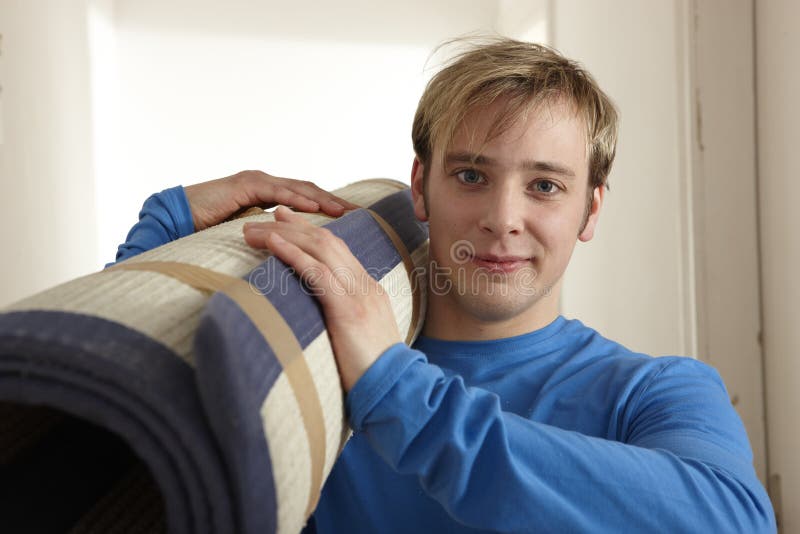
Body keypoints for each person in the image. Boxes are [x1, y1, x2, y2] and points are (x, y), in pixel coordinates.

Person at [113, 38, 775, 532]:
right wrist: (165, 222)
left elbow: (733, 522)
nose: (501, 220)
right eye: (470, 176)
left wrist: (398, 390)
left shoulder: (655, 390)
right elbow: (136, 430)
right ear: (420, 189)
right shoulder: (319, 348)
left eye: (544, 185)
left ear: (591, 210)